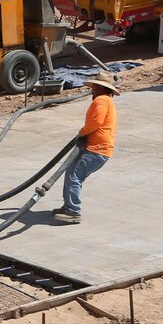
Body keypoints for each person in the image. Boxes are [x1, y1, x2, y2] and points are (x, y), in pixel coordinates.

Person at [54, 71, 119, 224]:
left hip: (97, 149)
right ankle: (68, 206)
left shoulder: (101, 100)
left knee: (74, 176)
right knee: (70, 172)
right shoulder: (107, 100)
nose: (92, 90)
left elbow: (95, 123)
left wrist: (81, 133)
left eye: (95, 87)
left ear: (101, 88)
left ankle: (73, 211)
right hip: (97, 147)